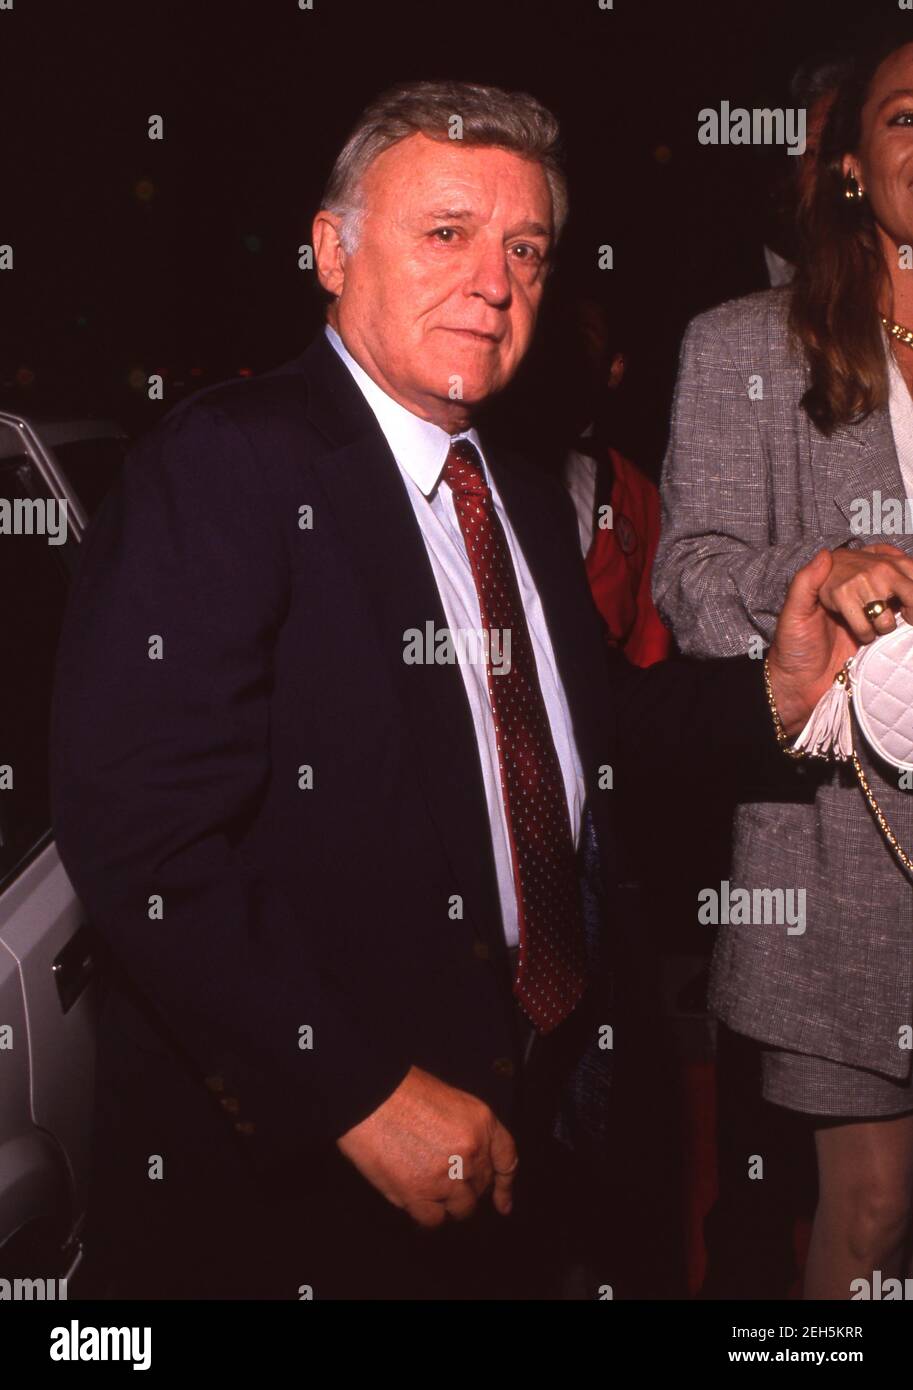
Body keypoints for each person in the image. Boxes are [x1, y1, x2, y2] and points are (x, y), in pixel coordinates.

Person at [52, 79, 862, 1300]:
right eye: (447, 233)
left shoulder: (518, 487)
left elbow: (581, 729)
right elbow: (143, 835)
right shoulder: (227, 465)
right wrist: (355, 1089)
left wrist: (772, 693)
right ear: (332, 250)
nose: (495, 280)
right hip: (319, 1179)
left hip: (551, 1092)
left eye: (524, 247)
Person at [655, 27, 913, 1300]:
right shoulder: (744, 345)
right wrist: (821, 570)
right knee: (869, 1213)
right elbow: (689, 578)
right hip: (850, 860)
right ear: (851, 161)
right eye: (909, 116)